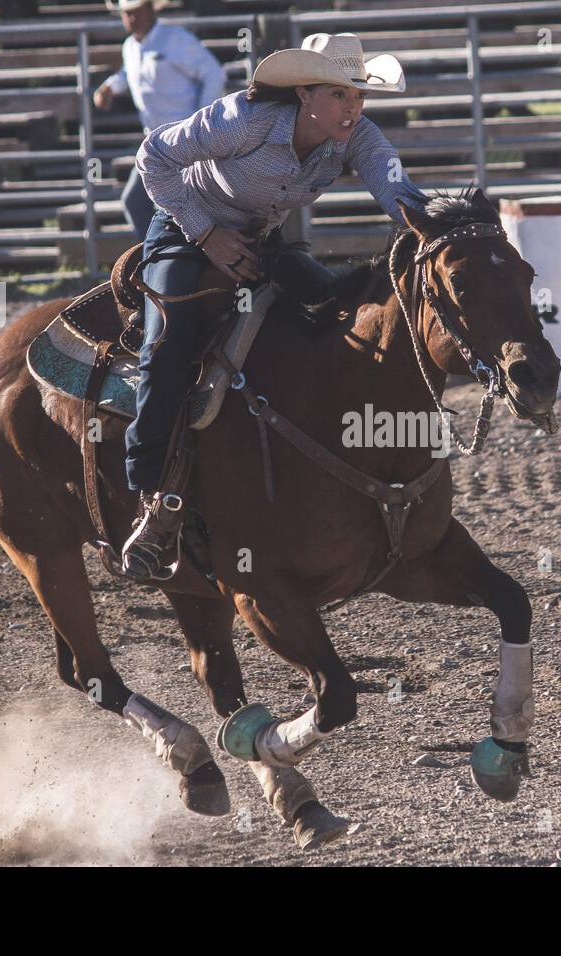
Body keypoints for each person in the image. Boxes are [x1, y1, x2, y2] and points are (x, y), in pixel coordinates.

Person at [118, 32, 430, 580]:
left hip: (261, 241)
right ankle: (148, 493)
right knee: (165, 340)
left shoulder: (356, 135)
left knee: (334, 309)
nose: (352, 108)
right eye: (339, 95)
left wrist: (436, 225)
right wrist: (206, 231)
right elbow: (155, 155)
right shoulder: (248, 118)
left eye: (359, 96)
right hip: (183, 231)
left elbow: (396, 186)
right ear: (305, 93)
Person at [94, 0, 226, 240]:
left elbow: (213, 72)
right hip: (155, 142)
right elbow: (129, 73)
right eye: (127, 14)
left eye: (137, 12)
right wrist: (110, 87)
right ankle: (157, 259)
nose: (132, 19)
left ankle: (174, 260)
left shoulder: (175, 38)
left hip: (186, 140)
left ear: (150, 10)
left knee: (176, 206)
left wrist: (201, 124)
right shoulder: (130, 47)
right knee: (137, 202)